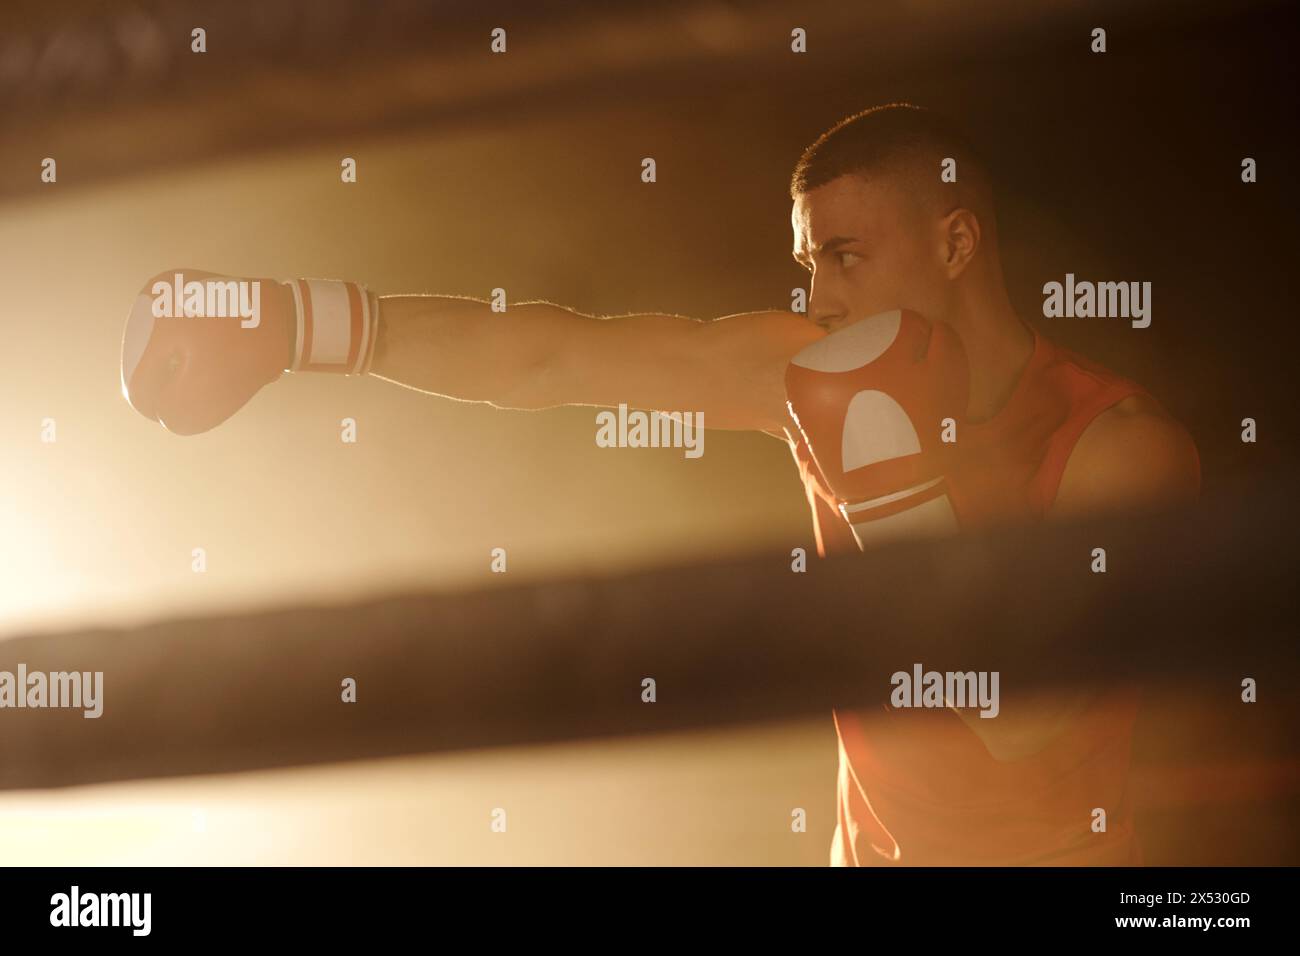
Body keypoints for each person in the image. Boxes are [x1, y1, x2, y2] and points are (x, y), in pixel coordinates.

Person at [120, 103, 1201, 865]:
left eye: (844, 255)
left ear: (956, 239)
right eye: (804, 265)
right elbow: (556, 356)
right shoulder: (804, 374)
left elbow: (1021, 721)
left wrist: (893, 493)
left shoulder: (1117, 446)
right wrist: (301, 324)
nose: (816, 298)